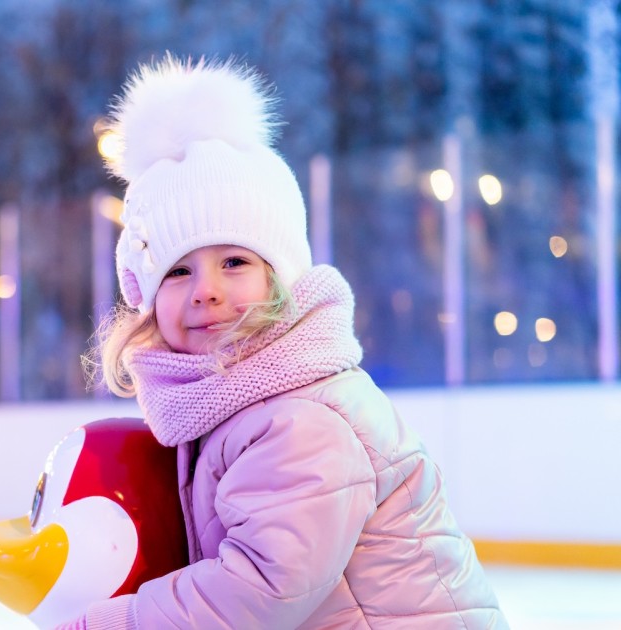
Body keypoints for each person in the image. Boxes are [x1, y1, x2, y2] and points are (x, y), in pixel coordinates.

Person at [65, 56, 506, 628]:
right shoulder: (233, 401)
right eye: (178, 272)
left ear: (280, 278)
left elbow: (260, 589)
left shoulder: (299, 415)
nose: (207, 291)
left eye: (233, 261)